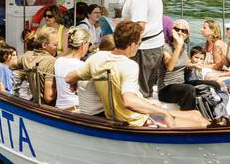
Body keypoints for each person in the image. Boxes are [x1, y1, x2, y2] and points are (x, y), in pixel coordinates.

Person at [66, 22, 206, 129]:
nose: (139, 46)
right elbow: (129, 101)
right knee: (200, 122)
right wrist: (164, 113)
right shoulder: (129, 65)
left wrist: (74, 81)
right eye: (139, 43)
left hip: (130, 113)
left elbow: (69, 77)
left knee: (196, 114)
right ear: (132, 44)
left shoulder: (97, 58)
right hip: (137, 120)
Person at [115, 0, 165, 97]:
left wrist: (128, 52)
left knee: (138, 91)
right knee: (144, 88)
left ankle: (141, 117)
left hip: (144, 50)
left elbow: (139, 27)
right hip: (153, 47)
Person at [15, 27, 59, 105]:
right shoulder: (51, 61)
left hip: (35, 104)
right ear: (44, 45)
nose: (57, 48)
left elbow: (11, 65)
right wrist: (62, 85)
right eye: (55, 45)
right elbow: (48, 97)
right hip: (47, 110)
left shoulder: (27, 56)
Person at [53, 27, 91, 111]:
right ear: (83, 44)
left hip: (59, 107)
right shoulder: (82, 65)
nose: (88, 47)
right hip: (75, 109)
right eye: (89, 44)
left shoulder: (58, 61)